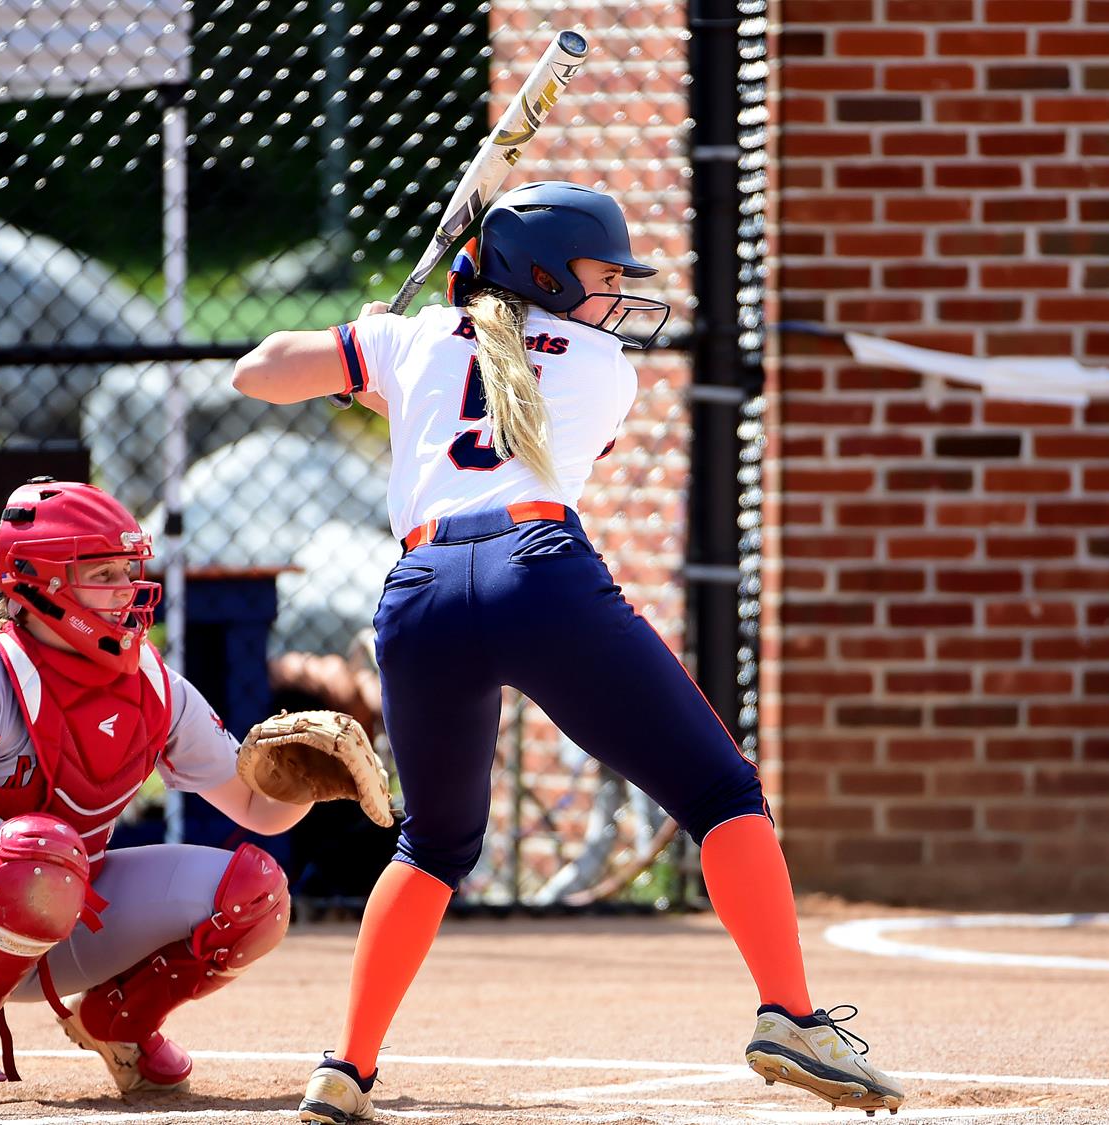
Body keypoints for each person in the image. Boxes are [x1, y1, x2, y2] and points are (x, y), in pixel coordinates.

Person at [231, 181, 908, 1122]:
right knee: (721, 794)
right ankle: (790, 1014)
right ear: (541, 274)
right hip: (536, 571)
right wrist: (397, 363)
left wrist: (365, 343)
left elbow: (256, 371)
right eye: (600, 276)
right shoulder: (599, 363)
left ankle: (345, 1067)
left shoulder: (416, 337)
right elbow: (498, 416)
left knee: (430, 844)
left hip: (419, 592)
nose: (616, 296)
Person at [0, 478, 314, 1106]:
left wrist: (312, 779)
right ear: (39, 582)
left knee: (256, 893)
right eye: (102, 572)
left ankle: (116, 1021)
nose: (126, 588)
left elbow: (259, 810)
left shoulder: (155, 683)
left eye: (128, 569)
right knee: (42, 849)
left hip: (64, 899)